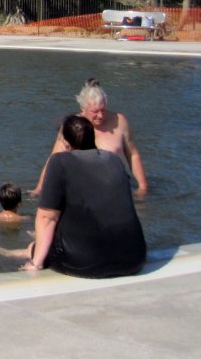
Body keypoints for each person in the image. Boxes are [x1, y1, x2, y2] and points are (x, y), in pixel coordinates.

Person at [22, 115, 146, 277]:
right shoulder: (113, 159)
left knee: (33, 247)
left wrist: (36, 263)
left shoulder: (59, 161)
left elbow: (47, 218)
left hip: (86, 264)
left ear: (65, 143)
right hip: (134, 258)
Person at [31, 79, 148, 197]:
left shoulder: (119, 121)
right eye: (95, 112)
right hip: (85, 186)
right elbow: (54, 158)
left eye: (103, 110)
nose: (100, 116)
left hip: (116, 186)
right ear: (83, 108)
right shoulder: (72, 125)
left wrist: (142, 187)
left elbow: (132, 154)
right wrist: (39, 188)